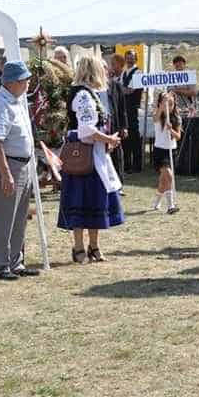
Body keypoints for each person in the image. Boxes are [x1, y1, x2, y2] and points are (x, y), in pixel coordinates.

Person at [58, 56, 125, 262]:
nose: (105, 73)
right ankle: (79, 247)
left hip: (94, 153)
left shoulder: (89, 94)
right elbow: (86, 129)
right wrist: (109, 139)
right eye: (102, 69)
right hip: (85, 156)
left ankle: (93, 246)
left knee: (96, 200)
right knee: (82, 200)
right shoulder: (83, 96)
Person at [0, 62, 40, 280]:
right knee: (4, 217)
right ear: (13, 82)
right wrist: (6, 173)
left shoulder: (15, 101)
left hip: (22, 164)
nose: (28, 84)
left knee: (19, 217)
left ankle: (16, 262)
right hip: (10, 164)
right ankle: (0, 265)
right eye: (25, 80)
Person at [151, 91, 182, 214]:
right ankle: (170, 206)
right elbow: (155, 118)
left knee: (164, 181)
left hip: (171, 150)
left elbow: (178, 136)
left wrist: (171, 130)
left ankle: (157, 202)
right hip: (160, 151)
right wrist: (162, 105)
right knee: (169, 176)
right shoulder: (158, 116)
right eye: (166, 104)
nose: (169, 106)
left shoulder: (176, 118)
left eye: (171, 104)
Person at [104, 61, 130, 183]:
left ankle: (119, 181)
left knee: (117, 153)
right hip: (101, 125)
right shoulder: (92, 87)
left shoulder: (116, 85)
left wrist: (124, 126)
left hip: (115, 123)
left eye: (104, 68)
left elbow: (122, 108)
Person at [120, 50, 143, 173]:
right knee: (125, 136)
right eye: (127, 57)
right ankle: (127, 164)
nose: (129, 60)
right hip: (124, 108)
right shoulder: (124, 72)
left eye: (131, 58)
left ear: (136, 59)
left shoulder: (138, 72)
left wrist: (117, 87)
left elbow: (129, 91)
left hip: (132, 107)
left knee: (134, 136)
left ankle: (137, 165)